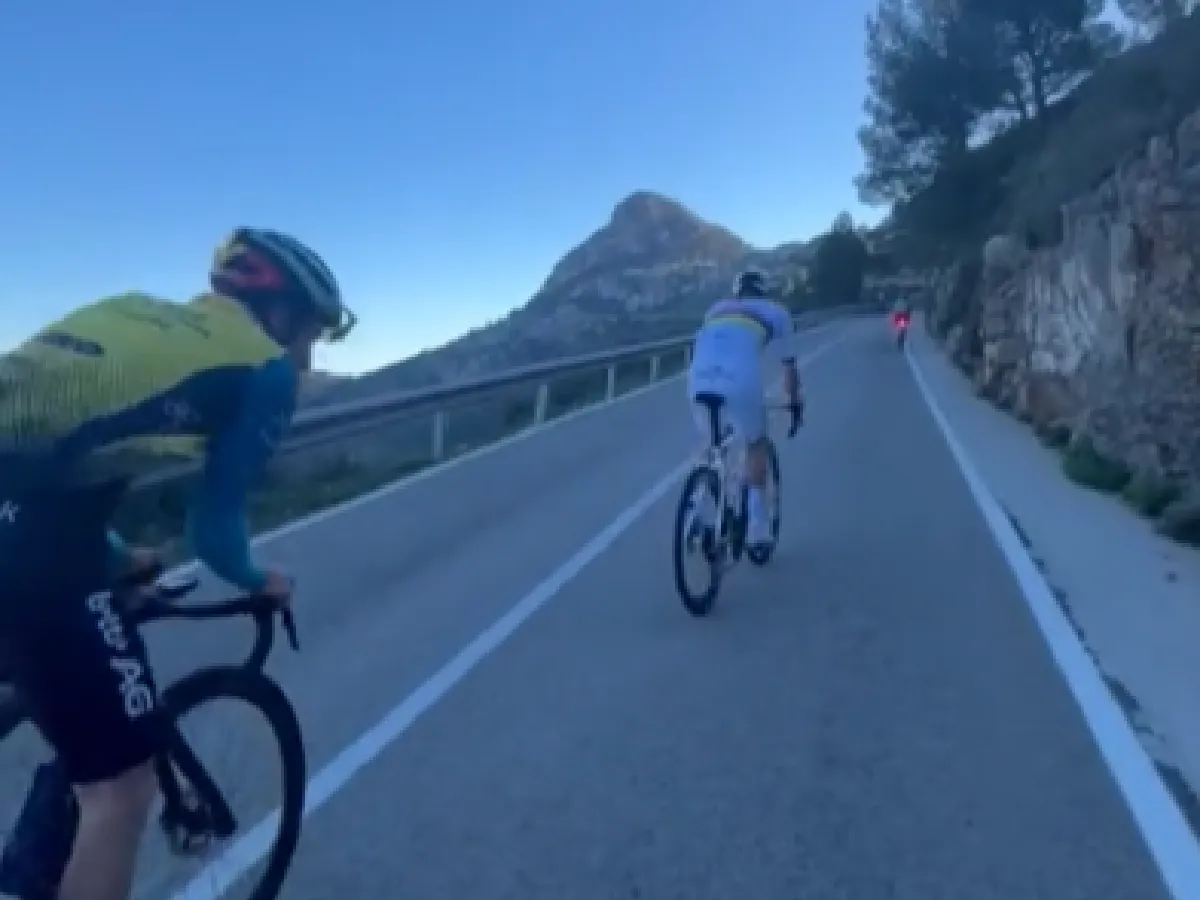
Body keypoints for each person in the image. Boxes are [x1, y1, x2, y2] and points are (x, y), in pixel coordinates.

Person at [0, 227, 356, 900]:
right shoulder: (262, 368)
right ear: (277, 314)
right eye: (310, 331)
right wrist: (264, 580)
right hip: (32, 553)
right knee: (121, 785)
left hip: (22, 528)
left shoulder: (137, 317)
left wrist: (116, 556)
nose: (309, 355)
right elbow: (216, 529)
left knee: (57, 694)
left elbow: (63, 470)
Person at [687, 268, 803, 552]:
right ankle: (757, 529)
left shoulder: (716, 309)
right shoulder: (776, 313)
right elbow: (788, 369)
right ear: (763, 291)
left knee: (711, 443)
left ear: (737, 292)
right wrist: (795, 403)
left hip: (698, 376)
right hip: (740, 379)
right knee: (755, 443)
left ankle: (699, 507)